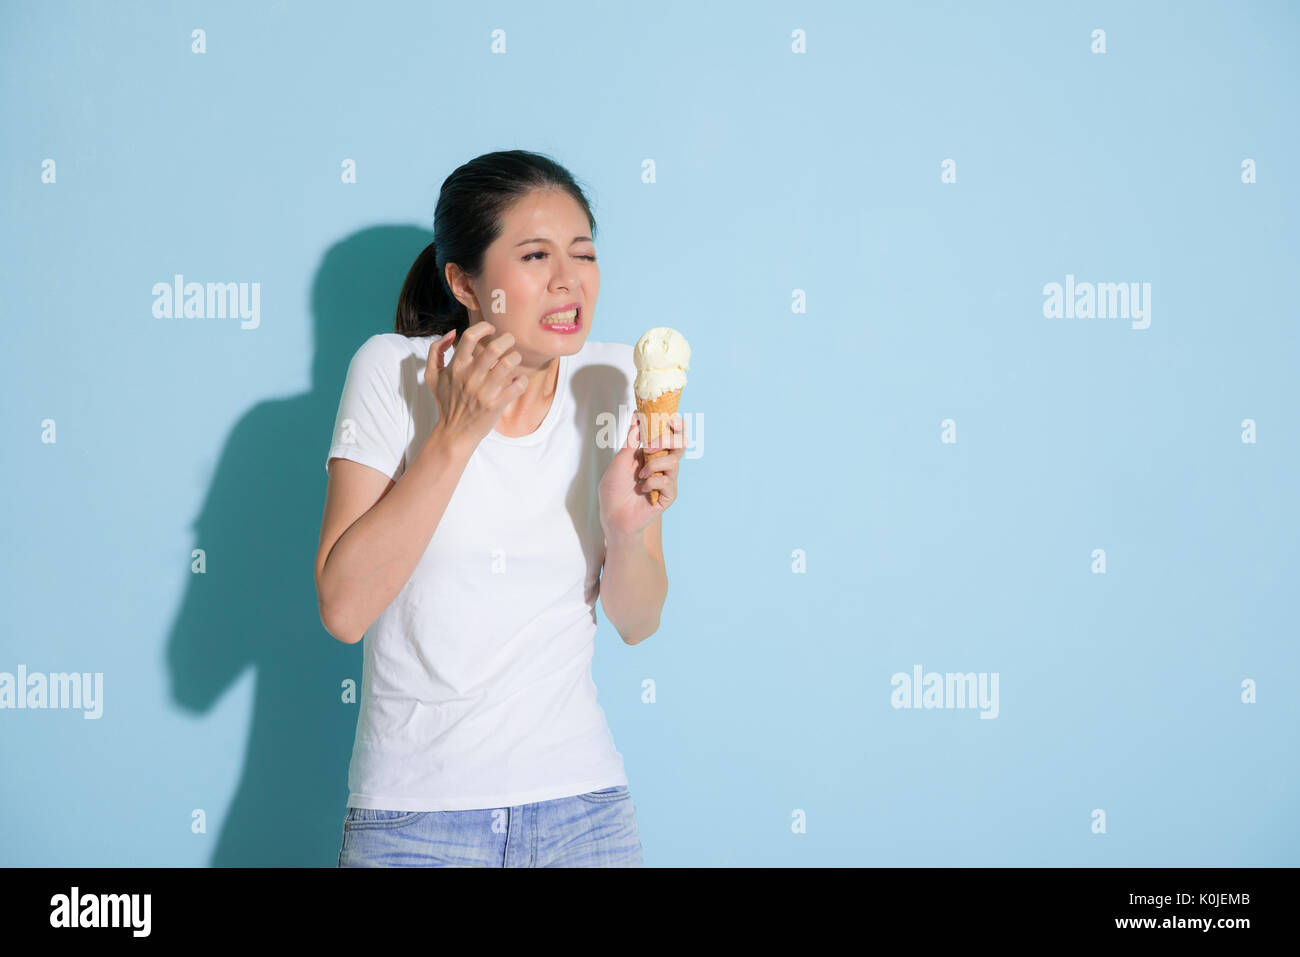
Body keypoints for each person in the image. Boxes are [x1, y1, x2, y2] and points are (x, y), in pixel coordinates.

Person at [315, 150, 685, 867]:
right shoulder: (391, 372)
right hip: (416, 821)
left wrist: (625, 529)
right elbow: (343, 609)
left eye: (584, 253)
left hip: (585, 811)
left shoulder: (616, 379)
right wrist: (454, 435)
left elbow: (638, 622)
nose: (569, 279)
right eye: (536, 255)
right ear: (464, 282)